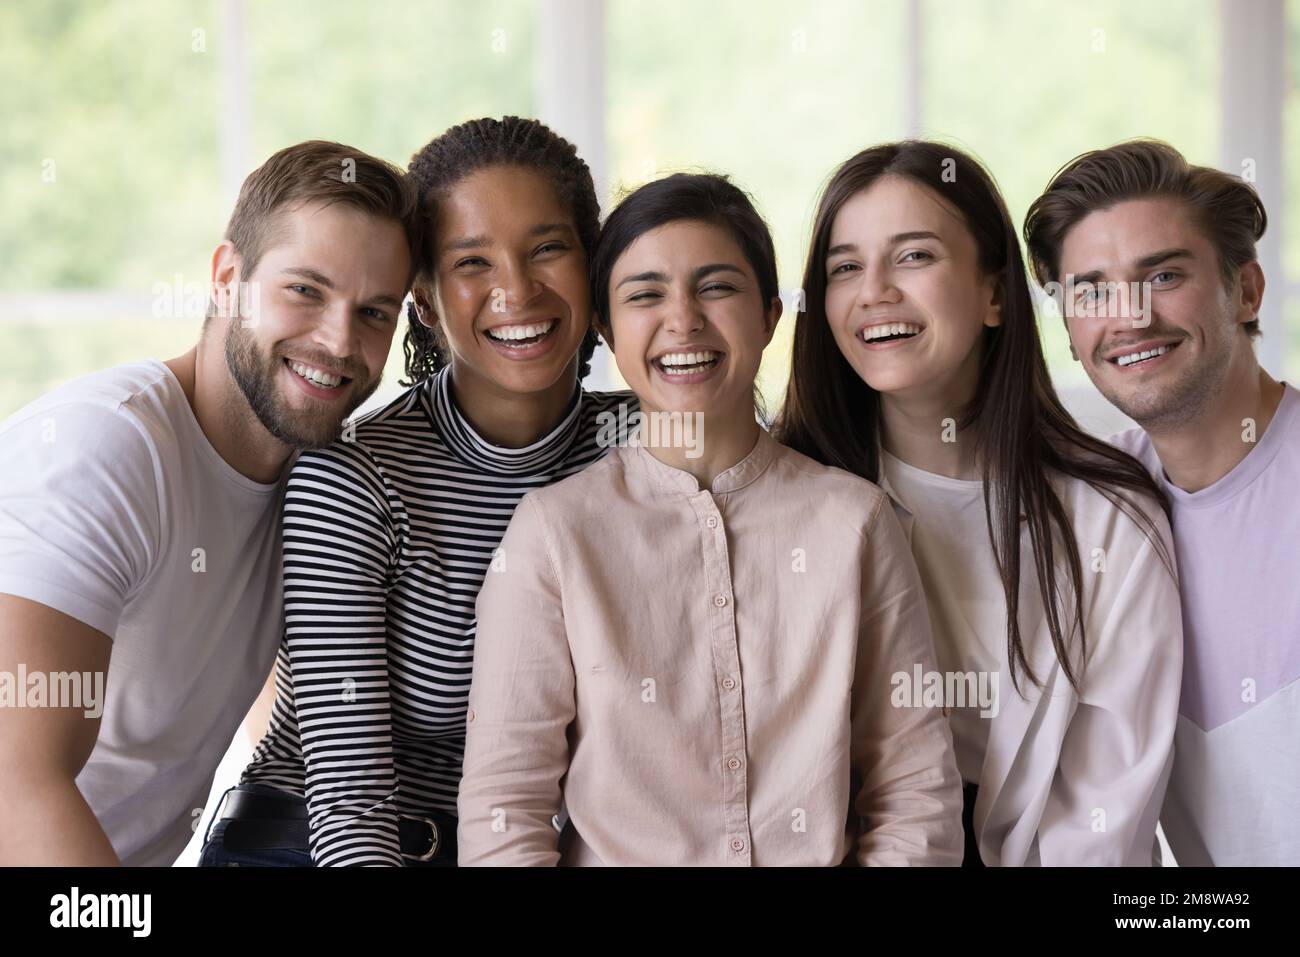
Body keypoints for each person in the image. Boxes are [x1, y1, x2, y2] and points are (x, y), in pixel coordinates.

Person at [457, 172, 964, 866]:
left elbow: (915, 792)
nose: (683, 318)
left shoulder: (856, 522)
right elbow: (504, 810)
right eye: (645, 294)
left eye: (717, 286)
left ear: (769, 317)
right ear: (605, 327)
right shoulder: (555, 531)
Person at [201, 116, 638, 867]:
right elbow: (350, 801)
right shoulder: (355, 474)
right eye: (472, 262)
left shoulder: (647, 449)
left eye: (548, 248)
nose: (516, 289)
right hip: (320, 845)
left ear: (592, 266)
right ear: (425, 301)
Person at [0, 140, 421, 865]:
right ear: (228, 277)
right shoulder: (107, 449)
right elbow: (15, 780)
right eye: (306, 291)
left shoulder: (314, 478)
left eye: (376, 311)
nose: (340, 341)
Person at [776, 141, 1182, 866]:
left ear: (996, 293)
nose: (874, 291)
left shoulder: (1110, 515)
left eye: (913, 256)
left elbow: (1103, 823)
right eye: (845, 268)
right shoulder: (782, 507)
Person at [1025, 138, 1299, 866]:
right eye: (1091, 291)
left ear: (1245, 291)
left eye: (1165, 274)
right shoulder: (1092, 512)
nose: (1131, 317)